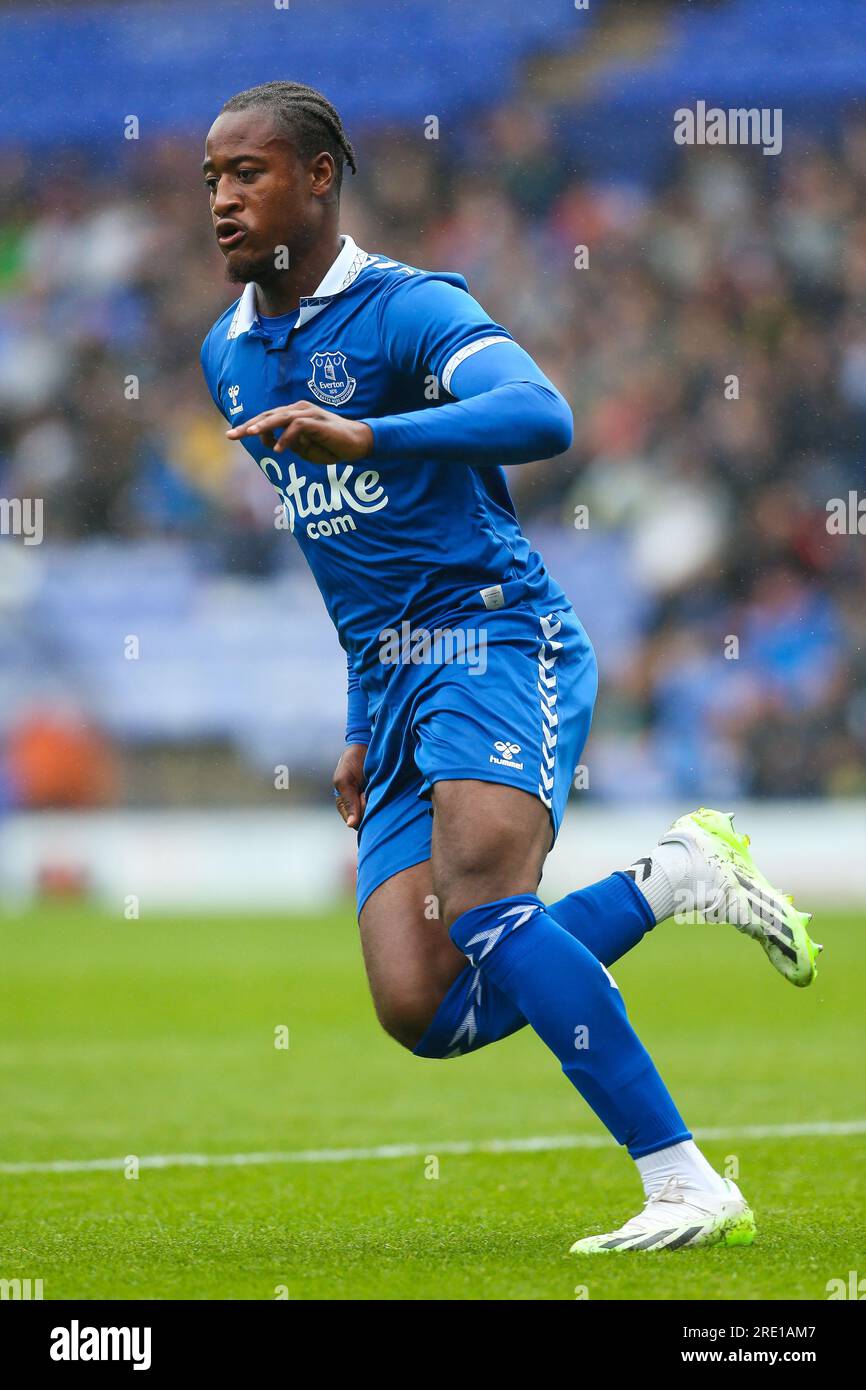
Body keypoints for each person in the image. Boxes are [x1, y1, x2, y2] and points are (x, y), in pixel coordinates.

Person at [199, 81, 820, 1252]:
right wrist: (356, 713)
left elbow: (540, 413)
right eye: (212, 180)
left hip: (493, 635)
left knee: (486, 896)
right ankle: (672, 878)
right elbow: (347, 555)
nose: (224, 200)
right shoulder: (226, 353)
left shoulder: (407, 307)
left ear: (320, 177)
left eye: (250, 173)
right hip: (388, 680)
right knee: (420, 1005)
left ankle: (686, 1180)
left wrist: (375, 430)